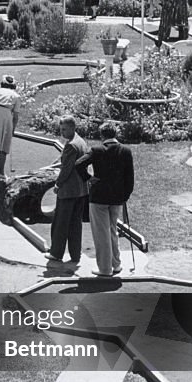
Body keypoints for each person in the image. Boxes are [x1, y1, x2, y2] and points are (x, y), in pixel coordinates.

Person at [76, 122, 135, 278]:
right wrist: (125, 196)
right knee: (112, 230)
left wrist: (88, 178)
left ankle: (104, 269)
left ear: (102, 135)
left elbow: (79, 164)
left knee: (101, 233)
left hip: (99, 198)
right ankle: (116, 264)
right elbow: (130, 178)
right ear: (115, 134)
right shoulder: (126, 151)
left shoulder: (96, 150)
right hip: (117, 198)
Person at [46, 115, 89, 270]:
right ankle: (75, 254)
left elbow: (67, 169)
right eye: (61, 129)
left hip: (69, 191)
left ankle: (56, 253)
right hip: (81, 191)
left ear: (72, 127)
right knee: (75, 224)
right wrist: (54, 164)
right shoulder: (80, 141)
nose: (62, 132)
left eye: (64, 129)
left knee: (60, 223)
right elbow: (66, 160)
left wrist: (58, 184)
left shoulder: (71, 145)